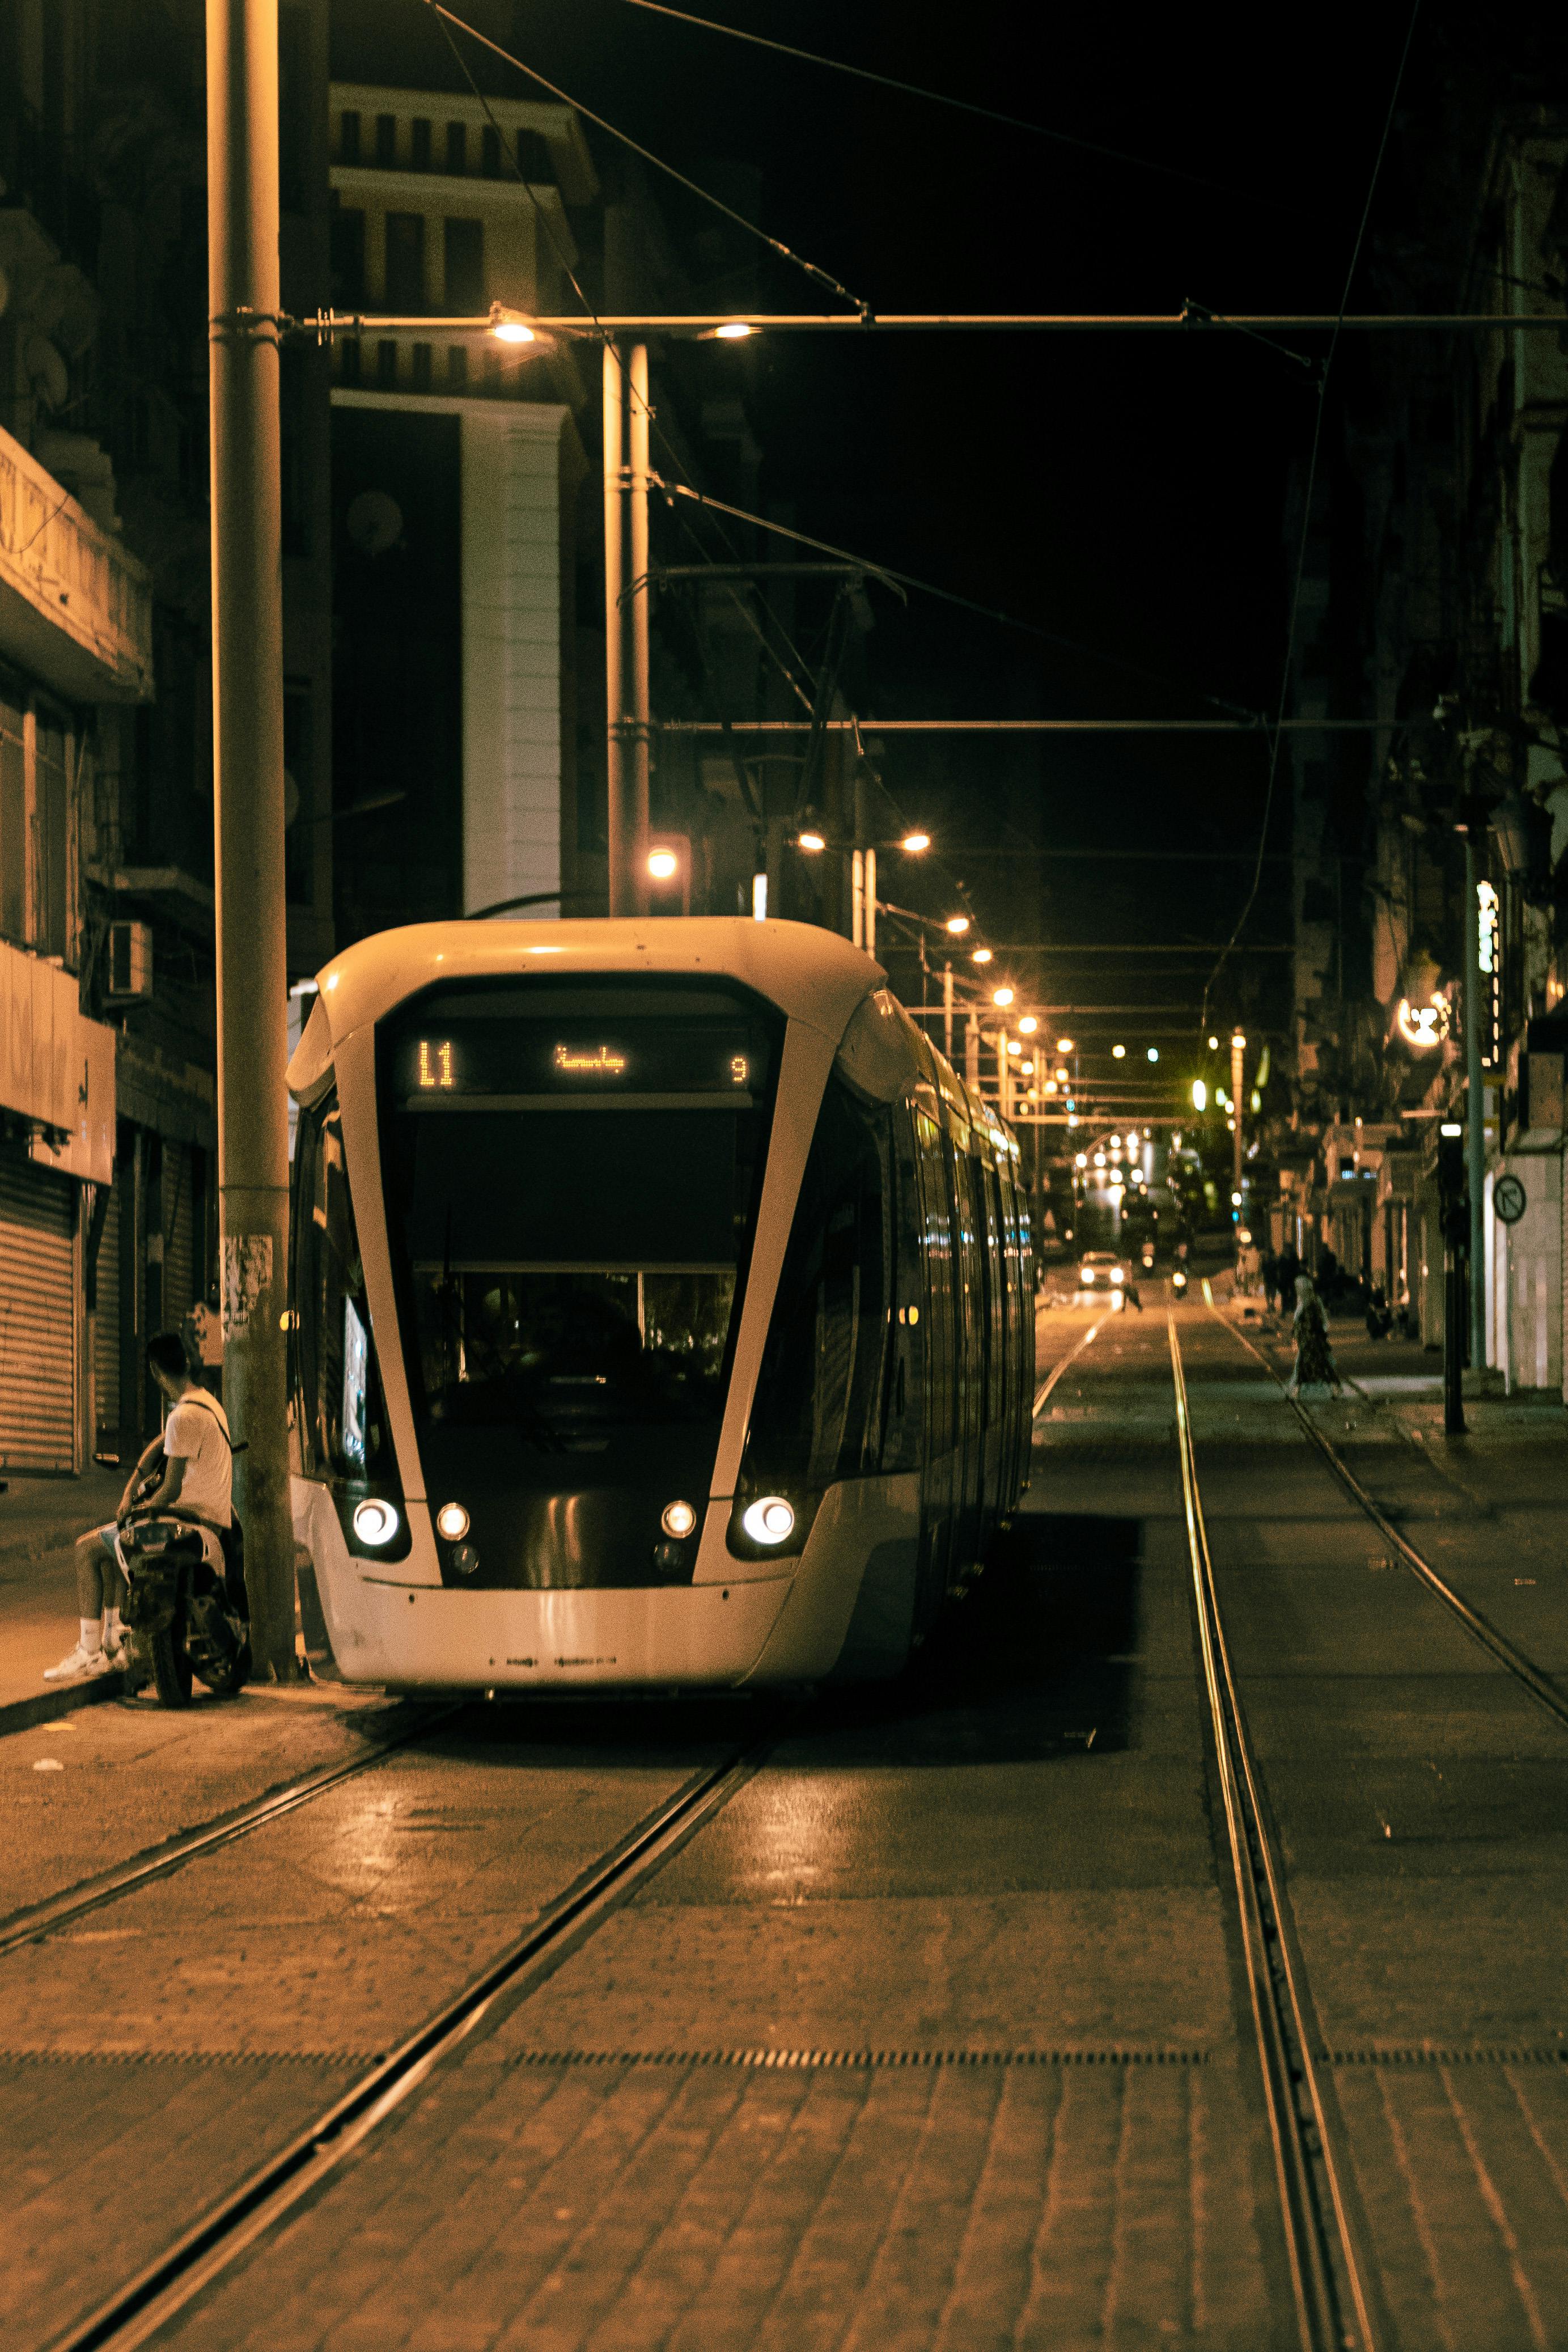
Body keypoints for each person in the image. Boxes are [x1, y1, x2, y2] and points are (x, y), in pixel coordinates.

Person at [44, 1334, 233, 1683]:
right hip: (212, 1525)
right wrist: (134, 1484)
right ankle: (114, 1645)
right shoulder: (208, 1404)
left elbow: (171, 1487)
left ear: (155, 1372)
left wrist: (138, 1507)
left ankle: (88, 1650)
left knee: (87, 1550)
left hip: (184, 1519)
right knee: (115, 1544)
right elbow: (159, 1446)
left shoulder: (182, 1417)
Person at [1287, 1274, 1343, 1399]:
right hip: (1311, 1339)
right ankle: (1334, 1389)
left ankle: (1297, 1391)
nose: (1297, 1290)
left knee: (1308, 1364)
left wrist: (1298, 1336)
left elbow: (1300, 1322)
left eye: (1298, 1287)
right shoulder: (1309, 1300)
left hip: (1311, 1340)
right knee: (1320, 1364)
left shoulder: (1309, 1302)